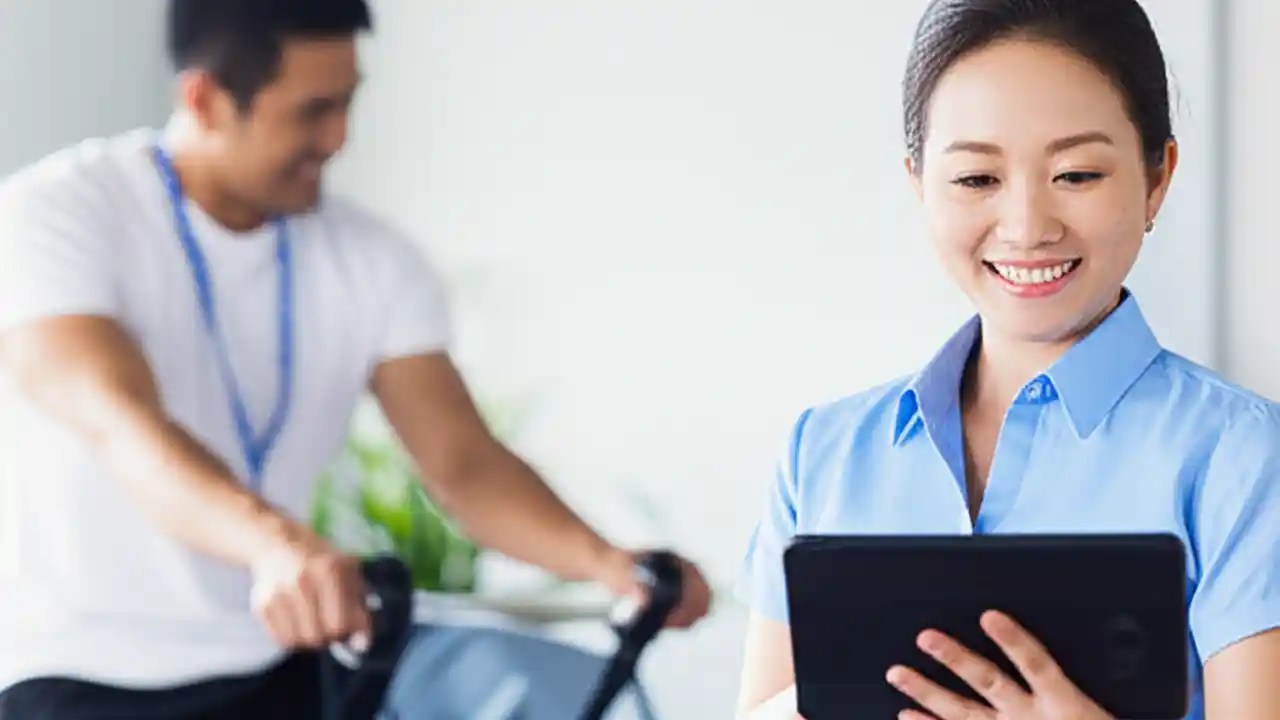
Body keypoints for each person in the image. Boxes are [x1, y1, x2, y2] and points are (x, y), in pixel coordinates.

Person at [0, 0, 711, 717]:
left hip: (277, 661)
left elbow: (462, 463)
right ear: (206, 99)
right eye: (313, 111)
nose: (339, 137)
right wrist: (278, 547)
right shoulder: (53, 218)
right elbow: (116, 421)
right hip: (75, 672)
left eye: (348, 104)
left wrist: (609, 566)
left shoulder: (373, 261)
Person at [735, 1, 1280, 719]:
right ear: (920, 184)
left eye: (1077, 174)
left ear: (1157, 177)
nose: (1027, 227)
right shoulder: (823, 453)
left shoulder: (1241, 454)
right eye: (976, 180)